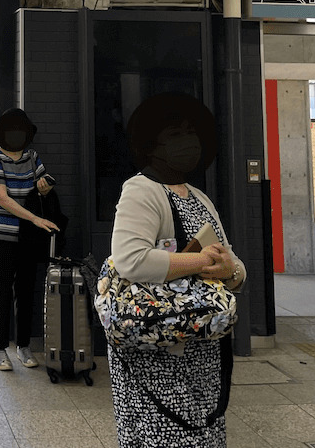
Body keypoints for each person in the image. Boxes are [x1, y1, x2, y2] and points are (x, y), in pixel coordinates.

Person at [109, 93, 245, 448]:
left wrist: (232, 271)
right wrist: (202, 262)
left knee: (203, 435)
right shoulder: (142, 190)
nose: (189, 142)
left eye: (191, 133)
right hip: (157, 356)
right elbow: (131, 259)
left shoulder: (200, 197)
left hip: (203, 351)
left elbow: (229, 259)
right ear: (152, 146)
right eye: (176, 135)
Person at [0, 107, 59, 372]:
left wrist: (46, 184)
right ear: (1, 134)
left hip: (28, 238)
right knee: (1, 290)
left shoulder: (31, 157)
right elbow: (1, 198)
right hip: (3, 235)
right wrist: (35, 219)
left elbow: (43, 177)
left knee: (26, 290)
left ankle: (23, 346)